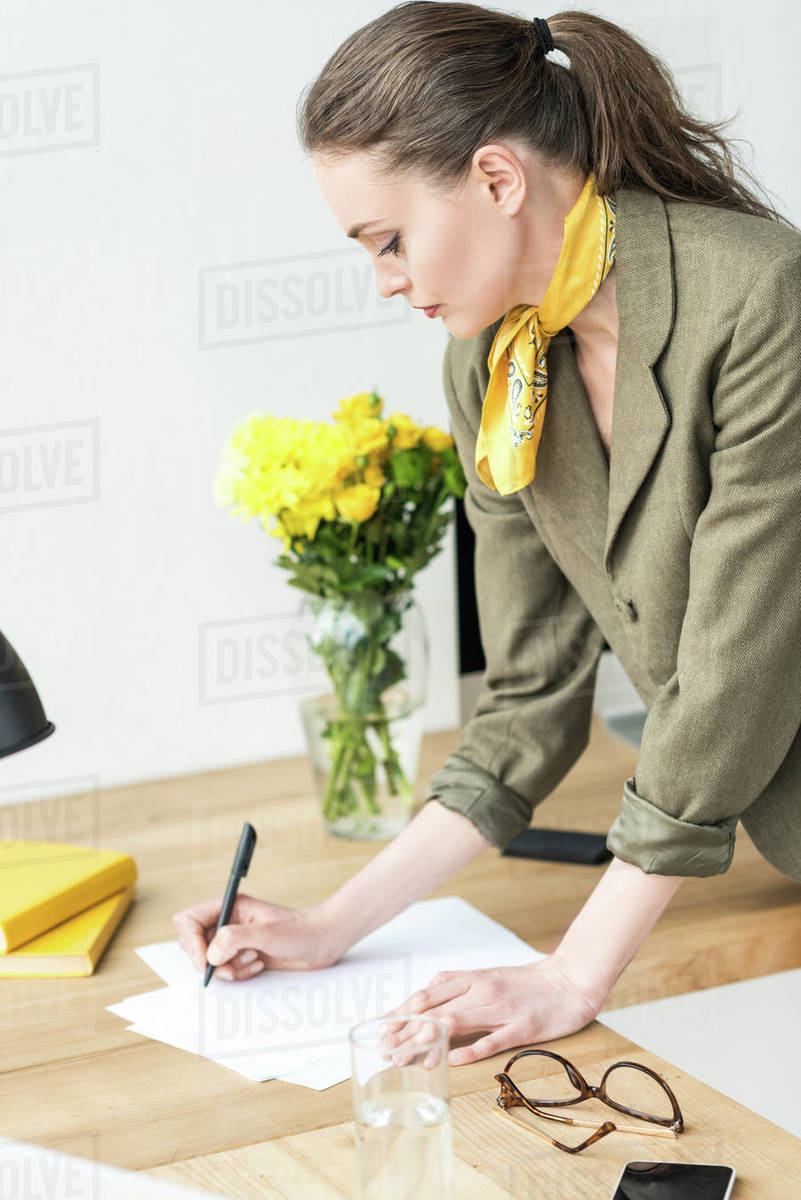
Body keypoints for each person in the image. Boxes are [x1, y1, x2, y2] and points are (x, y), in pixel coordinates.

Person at [173, 4, 801, 1068]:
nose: (385, 279)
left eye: (389, 240)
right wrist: (331, 925)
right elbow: (527, 698)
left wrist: (574, 974)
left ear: (499, 179)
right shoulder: (494, 370)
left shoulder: (760, 293)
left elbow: (738, 665)